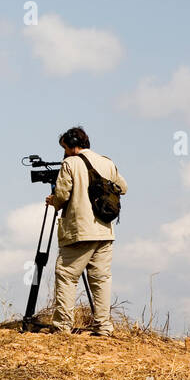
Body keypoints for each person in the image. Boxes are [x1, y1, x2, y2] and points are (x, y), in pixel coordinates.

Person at [43, 125, 127, 336]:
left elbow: (62, 195)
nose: (63, 153)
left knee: (66, 275)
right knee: (101, 279)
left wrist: (53, 201)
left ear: (72, 147)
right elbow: (123, 187)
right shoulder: (107, 162)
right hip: (105, 231)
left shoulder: (70, 163)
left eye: (64, 148)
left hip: (79, 230)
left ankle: (62, 326)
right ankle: (103, 327)